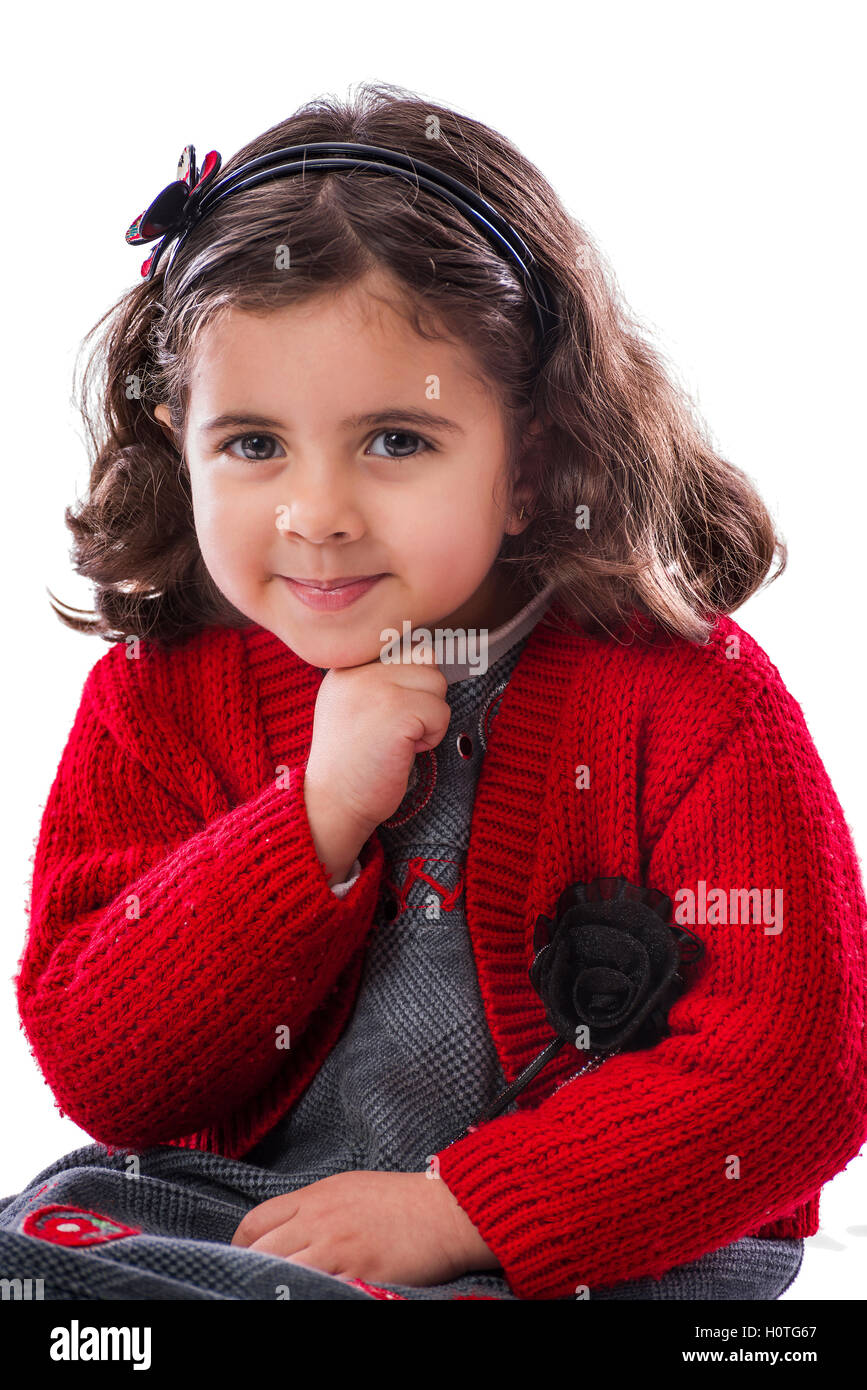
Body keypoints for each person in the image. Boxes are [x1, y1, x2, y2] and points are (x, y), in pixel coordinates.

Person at [2, 81, 863, 1302]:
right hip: (260, 1213)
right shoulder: (158, 694)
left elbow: (792, 1074)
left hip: (588, 1229)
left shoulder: (692, 697)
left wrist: (460, 1207)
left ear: (535, 459)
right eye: (253, 443)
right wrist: (306, 827)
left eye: (397, 440)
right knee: (40, 1251)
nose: (317, 513)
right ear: (176, 440)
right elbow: (109, 1069)